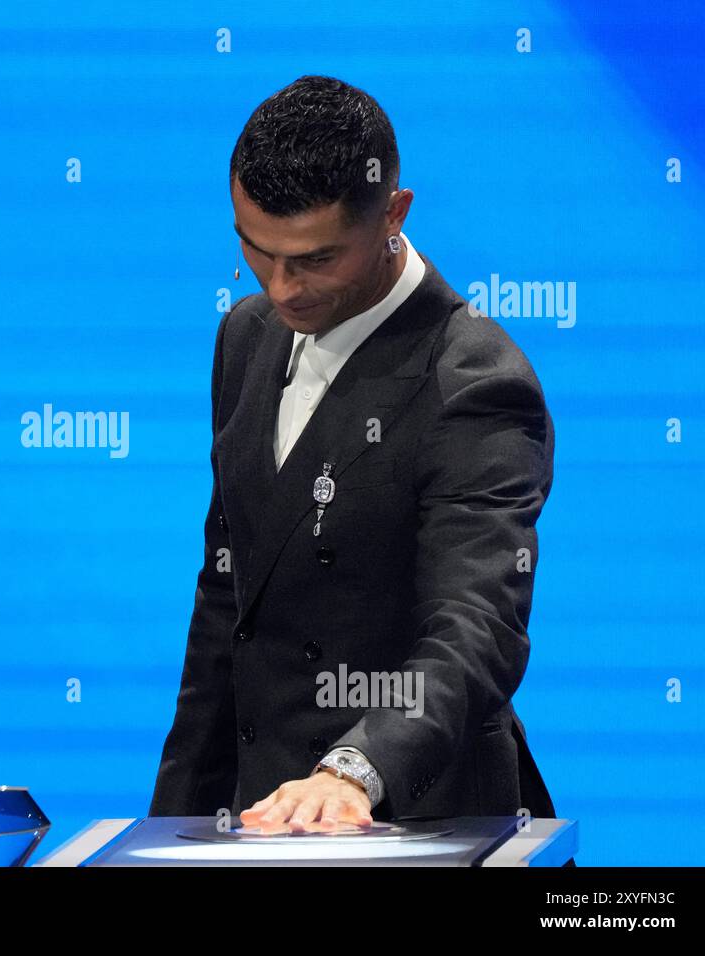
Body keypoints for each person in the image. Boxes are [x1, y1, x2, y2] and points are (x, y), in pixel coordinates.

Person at [150, 76, 562, 840]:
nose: (281, 288)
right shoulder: (245, 336)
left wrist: (355, 769)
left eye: (314, 259)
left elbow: (477, 628)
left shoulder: (474, 382)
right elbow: (227, 607)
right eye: (256, 250)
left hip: (417, 818)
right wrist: (168, 828)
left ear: (393, 214)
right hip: (265, 820)